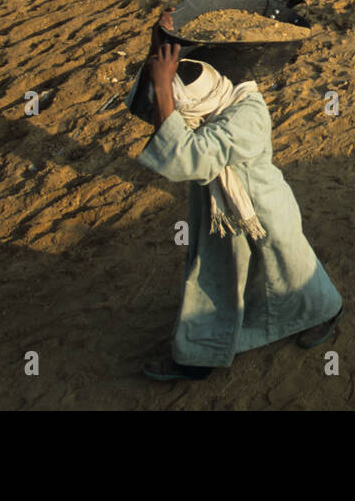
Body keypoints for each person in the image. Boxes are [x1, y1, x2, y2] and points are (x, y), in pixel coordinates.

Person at [132, 25, 343, 382]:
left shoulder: (245, 117)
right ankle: (196, 356)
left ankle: (323, 312)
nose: (174, 120)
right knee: (229, 273)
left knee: (285, 266)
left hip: (261, 211)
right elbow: (154, 112)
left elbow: (186, 157)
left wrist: (165, 86)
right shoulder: (220, 91)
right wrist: (159, 50)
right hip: (225, 213)